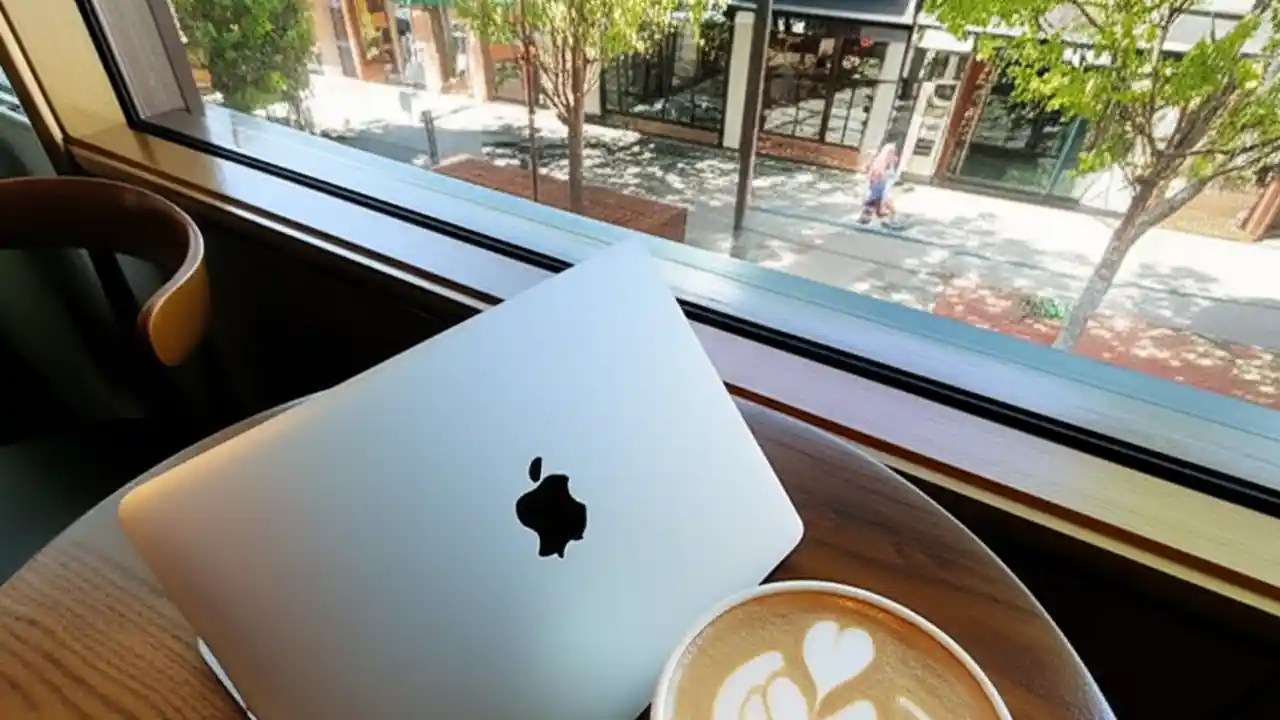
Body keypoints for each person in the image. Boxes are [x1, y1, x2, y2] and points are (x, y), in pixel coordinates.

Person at [860, 144, 899, 223]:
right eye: (891, 152)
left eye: (893, 152)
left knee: (881, 211)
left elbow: (890, 178)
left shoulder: (889, 164)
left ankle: (886, 222)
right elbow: (872, 179)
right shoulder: (879, 164)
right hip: (878, 192)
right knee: (877, 209)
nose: (892, 154)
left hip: (881, 192)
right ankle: (865, 220)